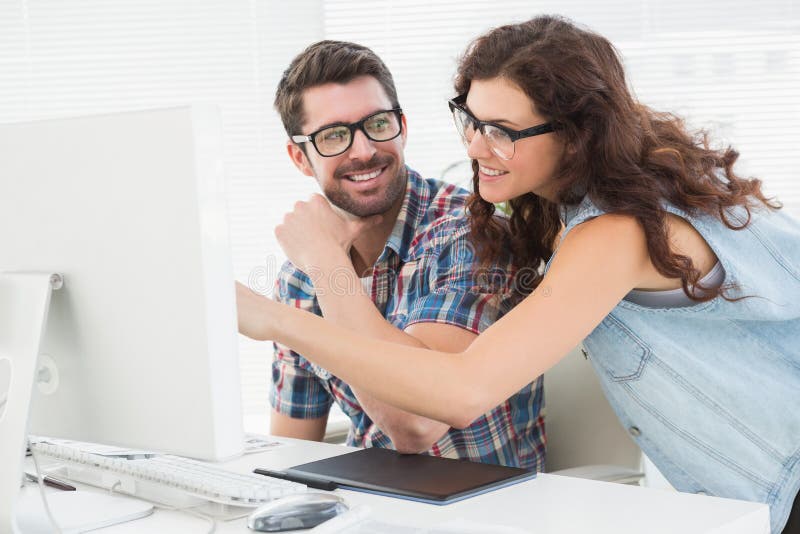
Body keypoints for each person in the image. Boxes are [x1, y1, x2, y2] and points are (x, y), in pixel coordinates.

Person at [238, 18, 800, 533]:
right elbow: (293, 446)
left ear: (575, 134)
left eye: (502, 130)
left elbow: (458, 394)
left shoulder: (618, 233)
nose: (475, 146)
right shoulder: (569, 214)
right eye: (472, 121)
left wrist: (279, 316)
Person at [263, 40, 545, 470]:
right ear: (300, 158)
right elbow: (291, 450)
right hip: (366, 500)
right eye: (333, 135)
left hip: (481, 502)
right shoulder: (300, 277)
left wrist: (327, 265)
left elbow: (416, 424)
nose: (363, 151)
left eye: (377, 123)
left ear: (402, 128)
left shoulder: (470, 234)